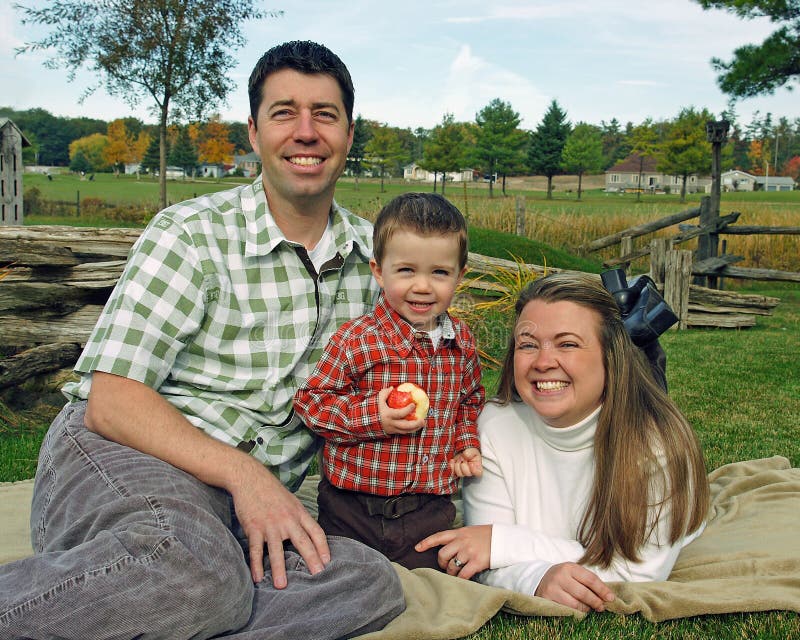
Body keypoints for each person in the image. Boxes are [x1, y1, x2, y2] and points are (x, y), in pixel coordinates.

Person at [0, 41, 405, 639]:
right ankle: (183, 590)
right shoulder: (192, 234)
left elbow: (416, 369)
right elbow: (112, 402)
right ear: (254, 133)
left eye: (325, 114)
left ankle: (161, 606)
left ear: (349, 133)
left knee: (367, 581)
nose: (306, 131)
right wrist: (245, 475)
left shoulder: (378, 261)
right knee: (194, 569)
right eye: (284, 113)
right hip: (131, 454)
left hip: (238, 513)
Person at [417, 272, 709, 613]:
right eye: (528, 344)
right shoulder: (494, 426)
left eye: (567, 344)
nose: (543, 362)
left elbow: (636, 573)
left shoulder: (656, 446)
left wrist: (503, 543)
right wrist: (535, 579)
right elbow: (479, 556)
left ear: (610, 355)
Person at [294, 192, 485, 570]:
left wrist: (465, 444)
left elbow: (469, 400)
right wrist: (373, 417)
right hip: (351, 510)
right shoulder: (357, 340)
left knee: (427, 587)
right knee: (342, 582)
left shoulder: (460, 342)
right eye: (406, 270)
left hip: (427, 512)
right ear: (379, 271)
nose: (423, 286)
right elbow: (311, 402)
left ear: (459, 276)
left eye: (440, 272)